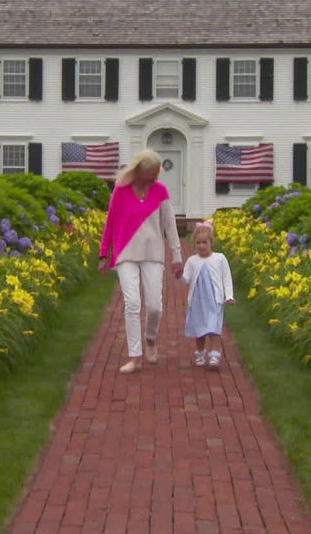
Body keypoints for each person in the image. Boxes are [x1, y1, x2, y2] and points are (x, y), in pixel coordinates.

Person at [98, 149, 184, 374]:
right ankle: (135, 356)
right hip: (126, 254)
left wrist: (177, 256)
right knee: (133, 304)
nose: (156, 177)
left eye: (158, 173)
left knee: (155, 306)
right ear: (139, 170)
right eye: (152, 173)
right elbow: (110, 223)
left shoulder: (161, 191)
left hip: (153, 255)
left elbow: (170, 226)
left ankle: (151, 339)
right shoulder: (121, 190)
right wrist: (103, 253)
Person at [180, 220, 234, 369]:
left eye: (204, 242)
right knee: (199, 329)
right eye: (198, 243)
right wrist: (179, 275)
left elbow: (226, 278)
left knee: (214, 328)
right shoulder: (192, 261)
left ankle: (215, 356)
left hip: (214, 300)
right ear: (194, 244)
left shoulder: (220, 259)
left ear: (211, 242)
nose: (201, 246)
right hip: (198, 301)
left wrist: (229, 295)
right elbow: (186, 279)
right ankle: (200, 353)